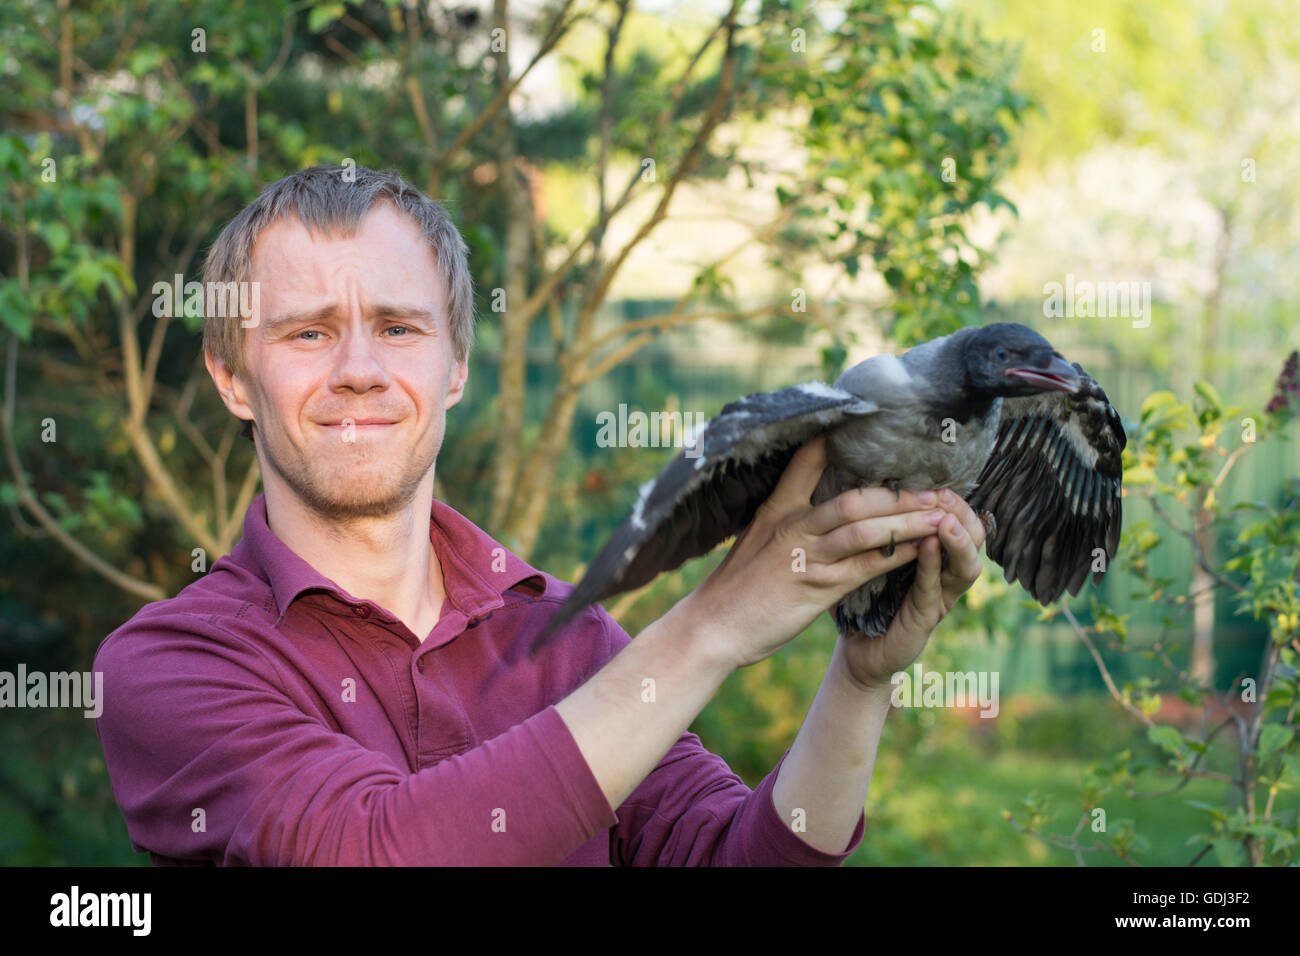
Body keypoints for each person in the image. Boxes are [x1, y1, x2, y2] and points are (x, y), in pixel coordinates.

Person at [93, 164, 987, 865]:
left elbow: (737, 857)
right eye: (308, 332)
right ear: (231, 377)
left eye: (400, 329)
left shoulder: (563, 639)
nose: (359, 370)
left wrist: (859, 684)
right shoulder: (170, 665)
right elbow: (376, 849)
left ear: (456, 369)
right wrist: (712, 623)